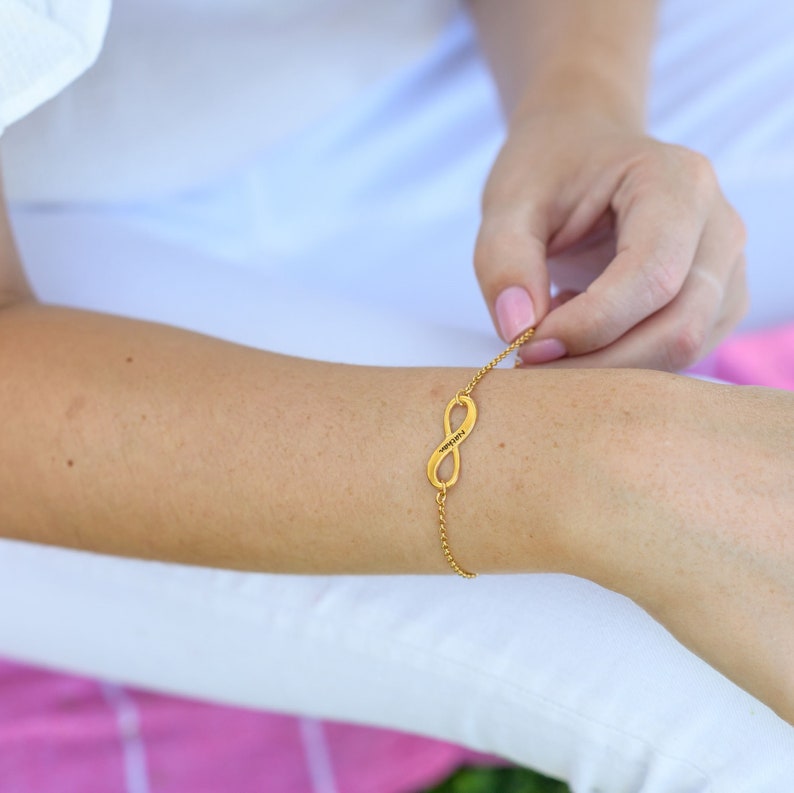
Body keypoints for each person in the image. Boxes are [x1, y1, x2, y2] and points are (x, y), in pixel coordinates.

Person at [1, 0, 792, 790]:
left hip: (344, 81)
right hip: (46, 382)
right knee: (741, 706)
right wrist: (599, 467)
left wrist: (581, 102)